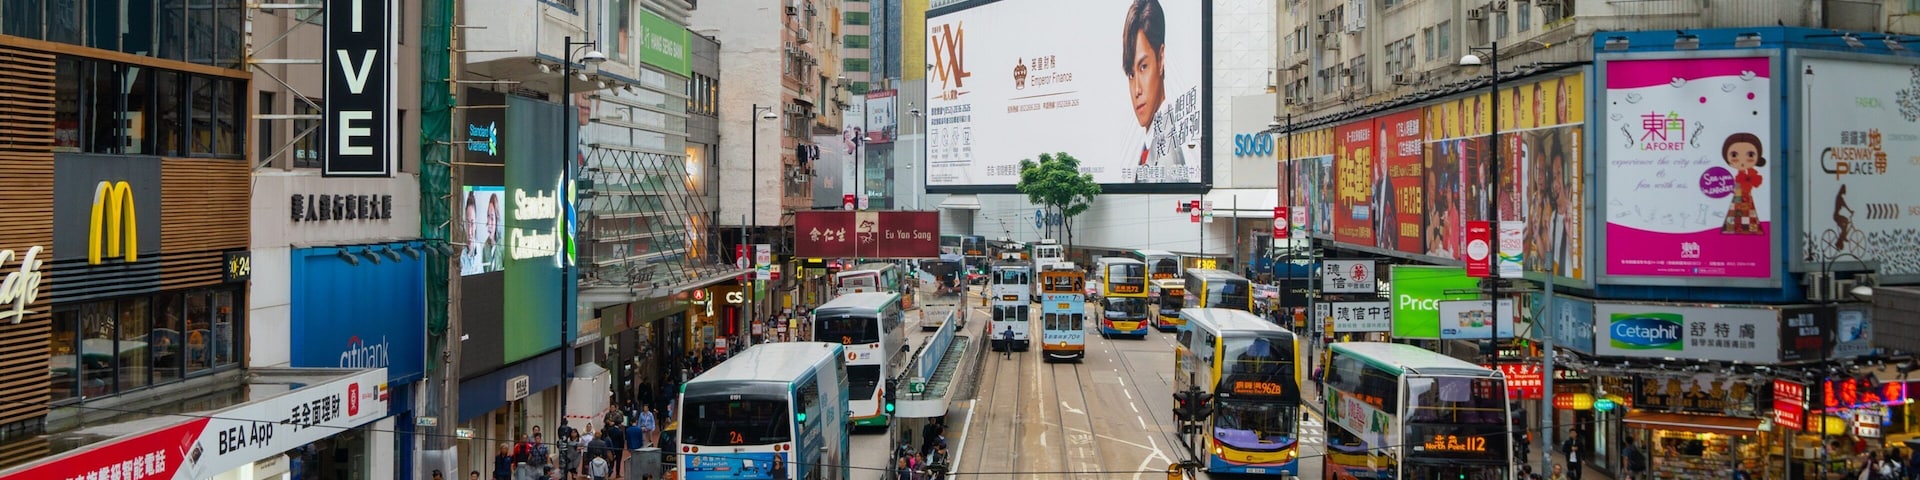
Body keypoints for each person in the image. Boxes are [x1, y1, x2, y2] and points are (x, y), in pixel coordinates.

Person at [1119, 0, 1191, 183]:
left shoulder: (1167, 153)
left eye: (1143, 67)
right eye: (1131, 74)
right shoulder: (1152, 142)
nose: (1137, 90)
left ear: (1161, 58)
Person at [1719, 132, 1767, 235]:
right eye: (1734, 155)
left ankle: (1749, 228)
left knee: (1748, 212)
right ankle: (1734, 228)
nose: (1741, 161)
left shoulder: (1752, 174)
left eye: (1750, 154)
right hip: (1738, 199)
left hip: (1746, 200)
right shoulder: (1741, 176)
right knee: (1735, 211)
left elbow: (1756, 183)